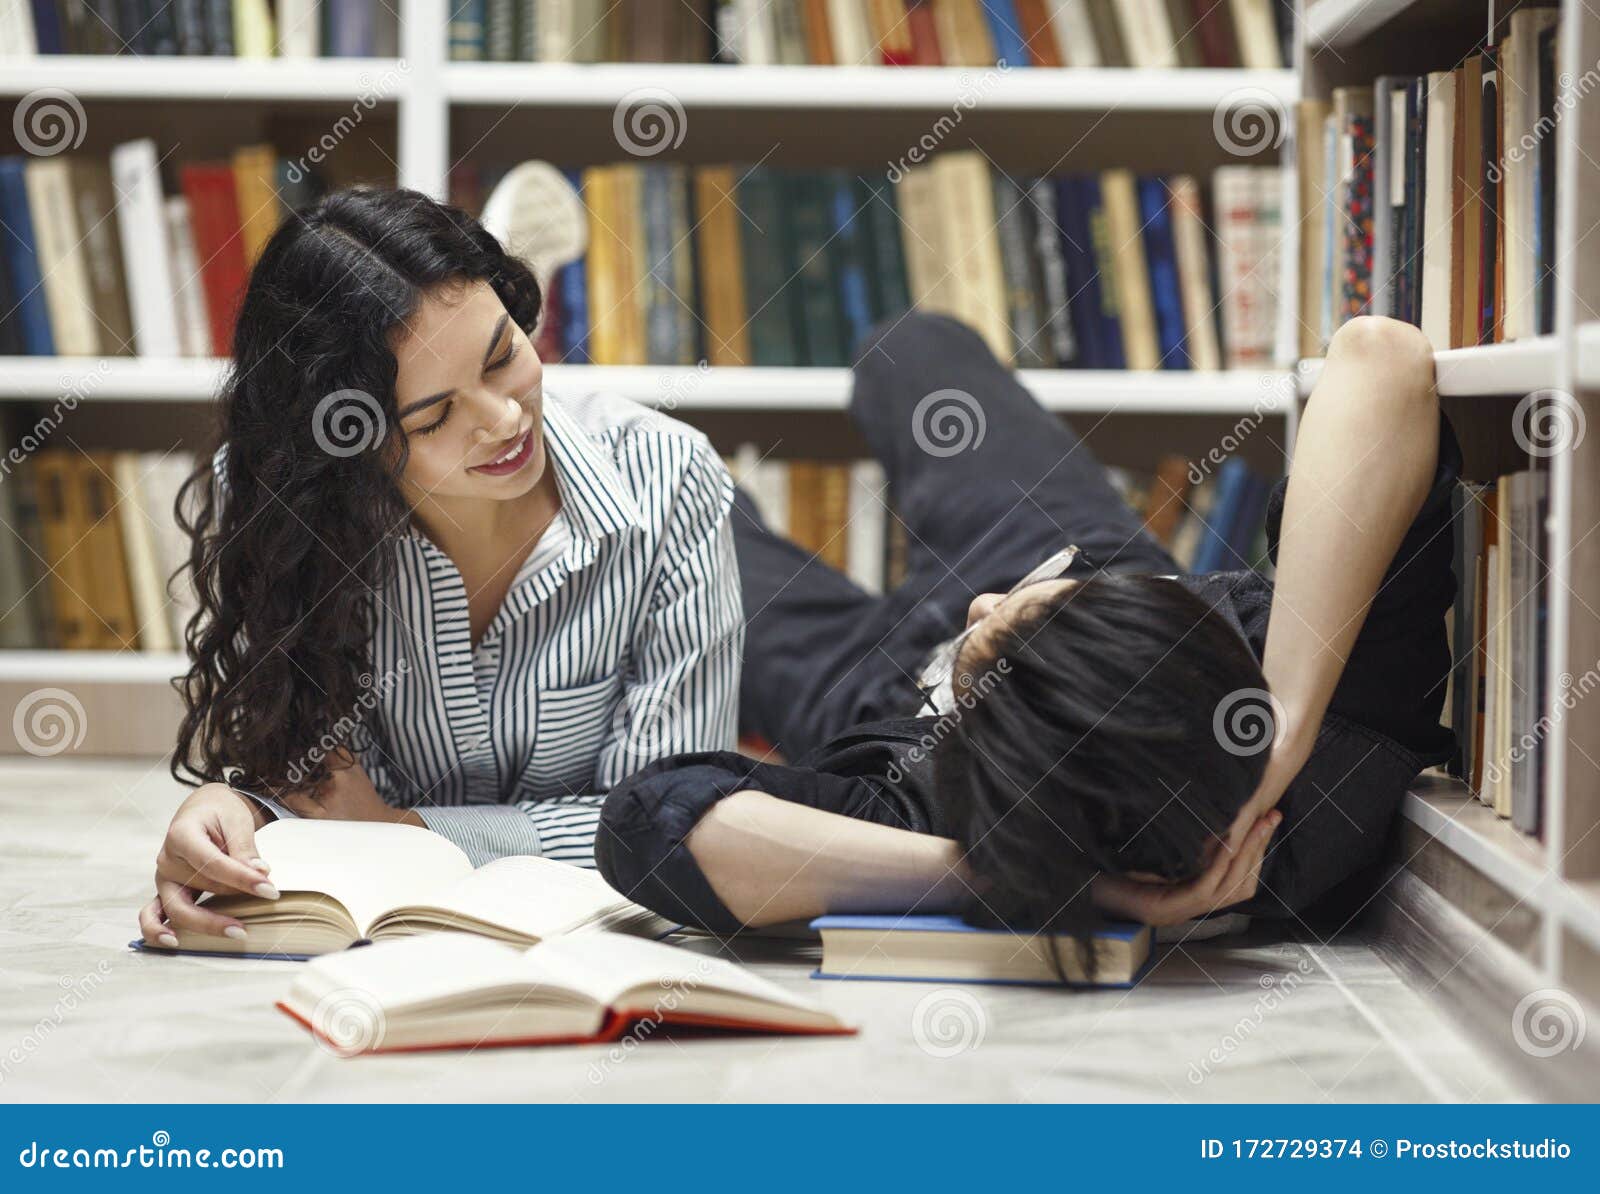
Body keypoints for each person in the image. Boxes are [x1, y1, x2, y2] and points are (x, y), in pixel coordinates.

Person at [596, 311, 1458, 945]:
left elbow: (651, 820)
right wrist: (1282, 733)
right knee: (910, 347)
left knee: (653, 503)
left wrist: (1053, 882)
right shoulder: (1335, 741)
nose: (983, 606)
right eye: (1042, 618)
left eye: (986, 675)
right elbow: (1380, 358)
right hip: (1055, 546)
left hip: (862, 686)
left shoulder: (948, 808)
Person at [138, 186, 743, 950]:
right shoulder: (285, 510)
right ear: (344, 444)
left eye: (503, 356)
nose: (503, 419)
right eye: (433, 417)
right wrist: (243, 817)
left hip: (654, 525)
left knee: (843, 690)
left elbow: (670, 815)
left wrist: (408, 829)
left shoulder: (671, 475)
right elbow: (314, 779)